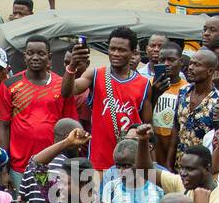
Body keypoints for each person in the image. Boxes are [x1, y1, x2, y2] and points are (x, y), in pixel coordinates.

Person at [62, 28, 152, 171]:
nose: (116, 54)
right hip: (99, 162)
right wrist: (72, 65)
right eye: (112, 49)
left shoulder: (144, 84)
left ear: (133, 52)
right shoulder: (95, 74)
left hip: (130, 164)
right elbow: (67, 92)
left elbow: (147, 126)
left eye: (121, 50)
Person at [0, 35, 76, 181]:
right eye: (30, 53)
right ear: (24, 56)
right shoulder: (9, 85)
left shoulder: (63, 86)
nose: (35, 57)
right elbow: (4, 127)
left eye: (41, 53)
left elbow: (70, 127)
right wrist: (4, 168)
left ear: (49, 58)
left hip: (54, 165)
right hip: (19, 167)